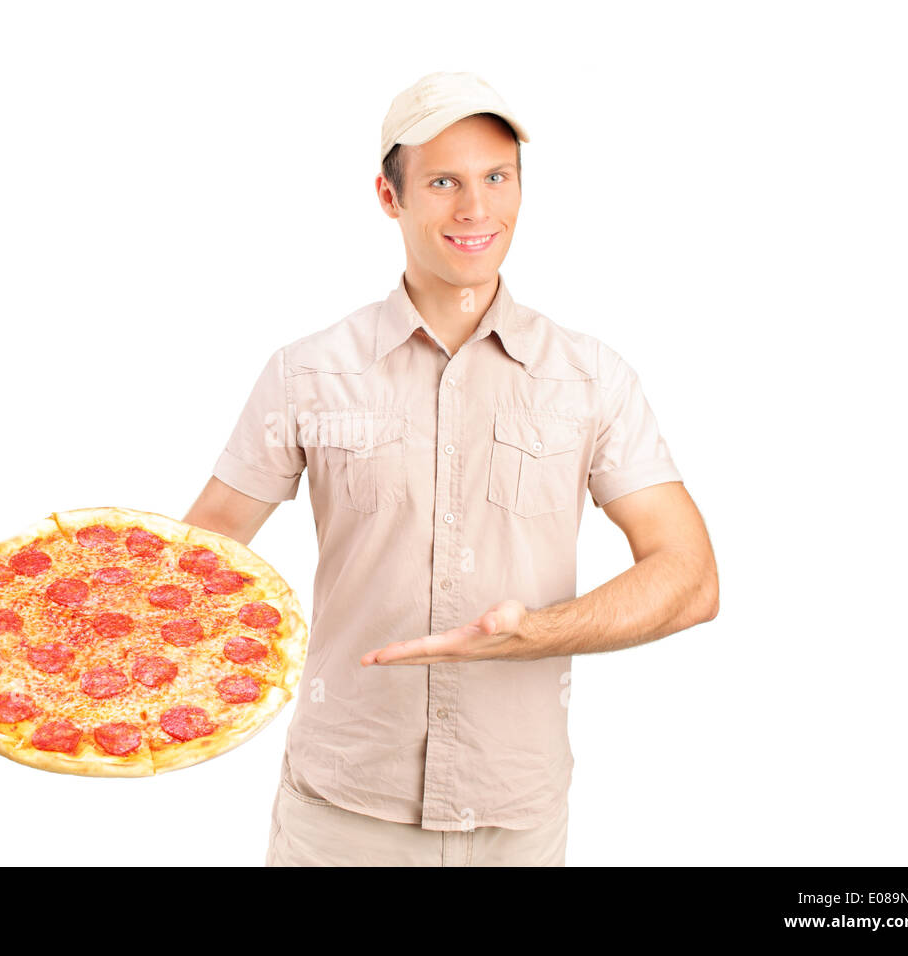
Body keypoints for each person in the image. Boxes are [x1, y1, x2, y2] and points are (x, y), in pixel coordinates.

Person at [182, 71, 718, 867]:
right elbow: (201, 557)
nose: (475, 210)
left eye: (497, 178)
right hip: (343, 813)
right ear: (389, 197)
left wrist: (537, 634)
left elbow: (691, 578)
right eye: (443, 182)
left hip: (517, 818)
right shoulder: (307, 373)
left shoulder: (590, 377)